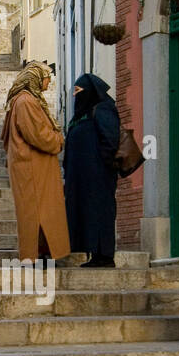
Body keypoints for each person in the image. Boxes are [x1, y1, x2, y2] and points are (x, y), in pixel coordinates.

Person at [0, 62, 71, 263]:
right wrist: (58, 140)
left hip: (33, 164)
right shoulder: (26, 101)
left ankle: (40, 252)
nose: (50, 81)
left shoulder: (24, 100)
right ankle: (34, 255)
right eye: (47, 77)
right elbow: (37, 134)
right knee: (37, 211)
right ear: (37, 79)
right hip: (32, 166)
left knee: (41, 211)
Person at [63, 73, 121, 267]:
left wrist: (101, 165)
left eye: (79, 91)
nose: (76, 96)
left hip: (99, 175)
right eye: (74, 92)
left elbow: (110, 139)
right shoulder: (79, 116)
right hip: (79, 178)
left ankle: (104, 255)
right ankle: (92, 253)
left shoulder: (103, 108)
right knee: (84, 212)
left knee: (100, 211)